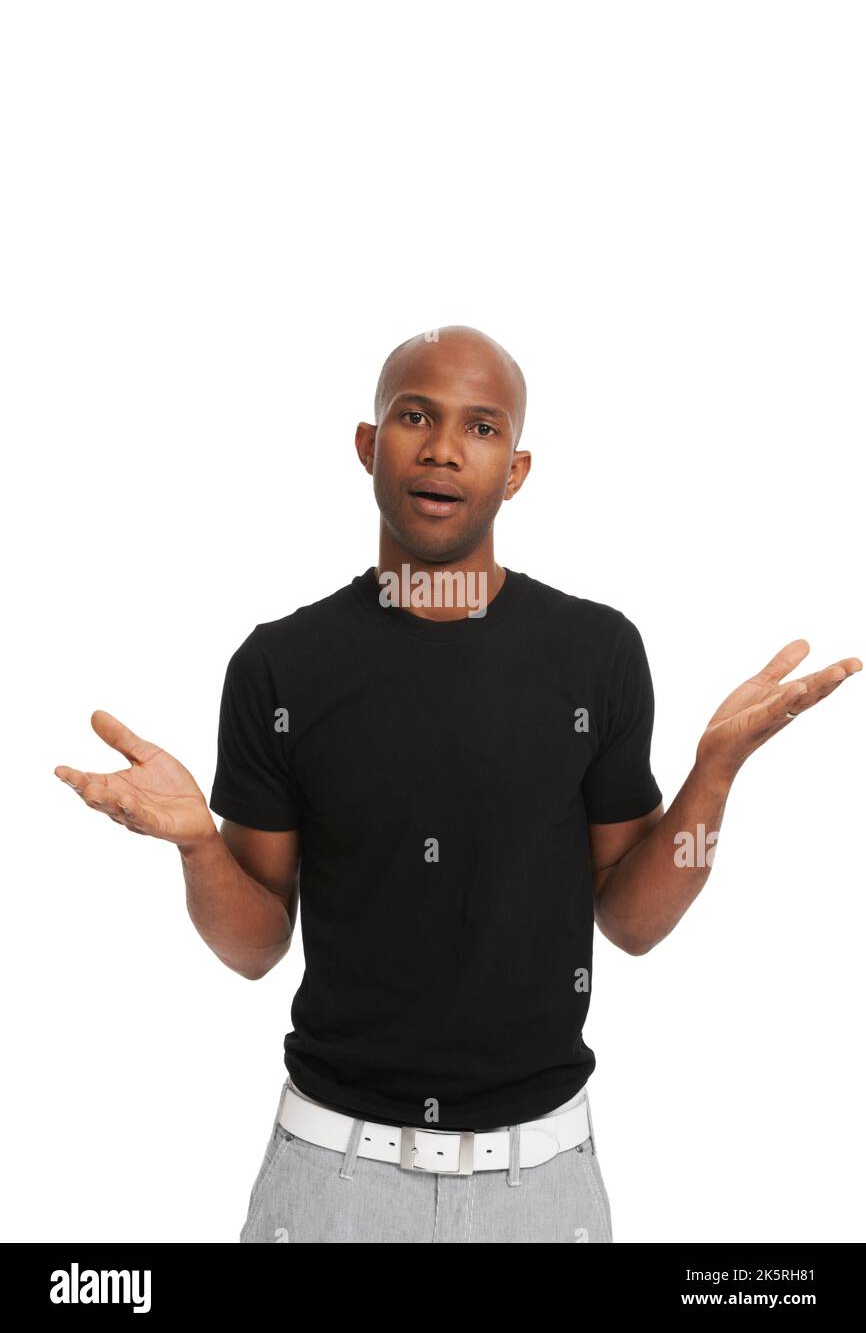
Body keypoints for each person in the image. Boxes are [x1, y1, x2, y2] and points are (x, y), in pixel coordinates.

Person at [55, 325, 861, 1243]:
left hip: (543, 1186)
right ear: (368, 445)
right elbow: (254, 946)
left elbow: (632, 923)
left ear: (514, 471)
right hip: (331, 1181)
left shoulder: (594, 652)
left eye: (481, 428)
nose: (443, 448)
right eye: (415, 416)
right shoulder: (282, 666)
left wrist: (713, 776)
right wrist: (200, 847)